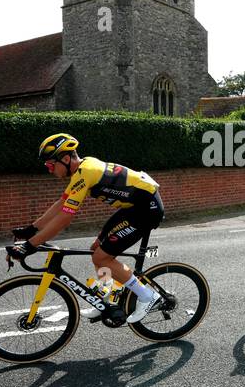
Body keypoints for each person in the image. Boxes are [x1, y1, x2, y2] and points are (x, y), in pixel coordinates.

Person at [10, 134, 164, 323]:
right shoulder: (81, 171)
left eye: (51, 164)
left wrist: (30, 245)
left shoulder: (86, 172)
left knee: (101, 257)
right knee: (96, 249)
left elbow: (65, 218)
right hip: (131, 209)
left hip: (146, 210)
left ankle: (148, 296)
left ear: (66, 159)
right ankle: (105, 297)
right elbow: (62, 203)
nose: (50, 170)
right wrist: (31, 230)